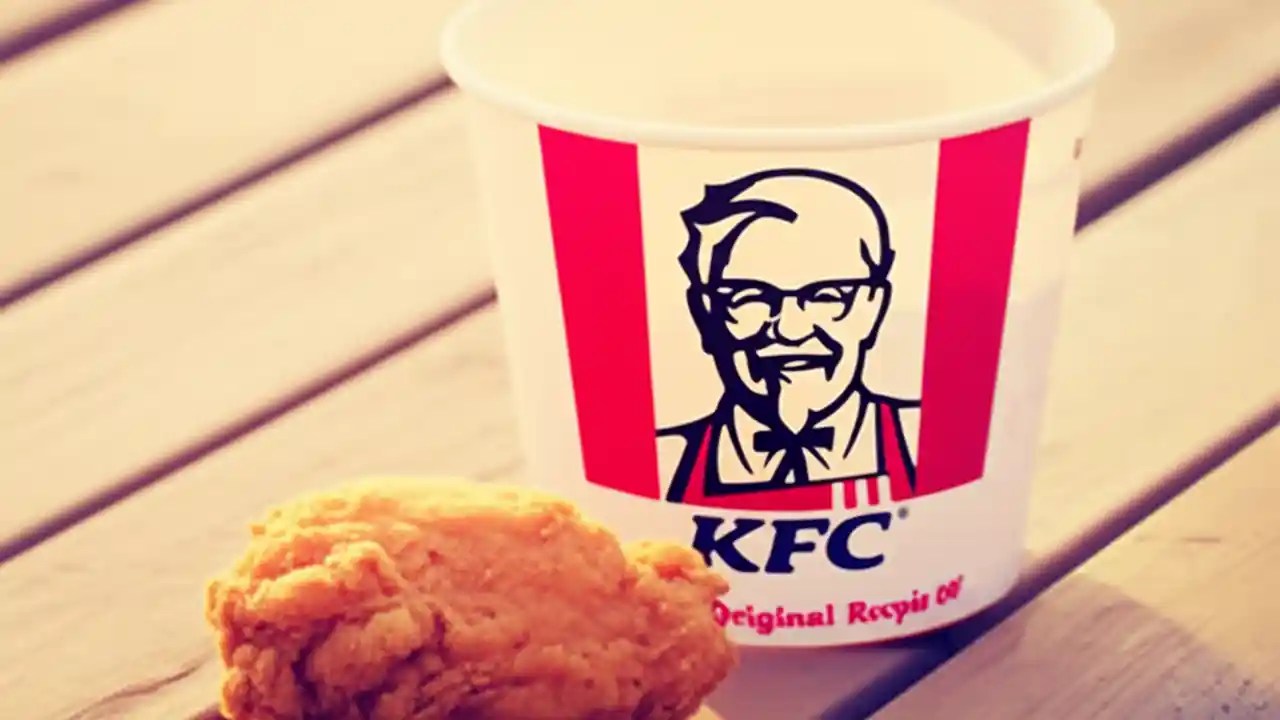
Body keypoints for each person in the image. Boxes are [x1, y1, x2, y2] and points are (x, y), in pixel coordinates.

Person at [659, 168, 919, 511]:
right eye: (749, 297)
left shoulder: (928, 442)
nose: (791, 330)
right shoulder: (665, 457)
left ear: (873, 307)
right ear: (705, 315)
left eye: (828, 296)